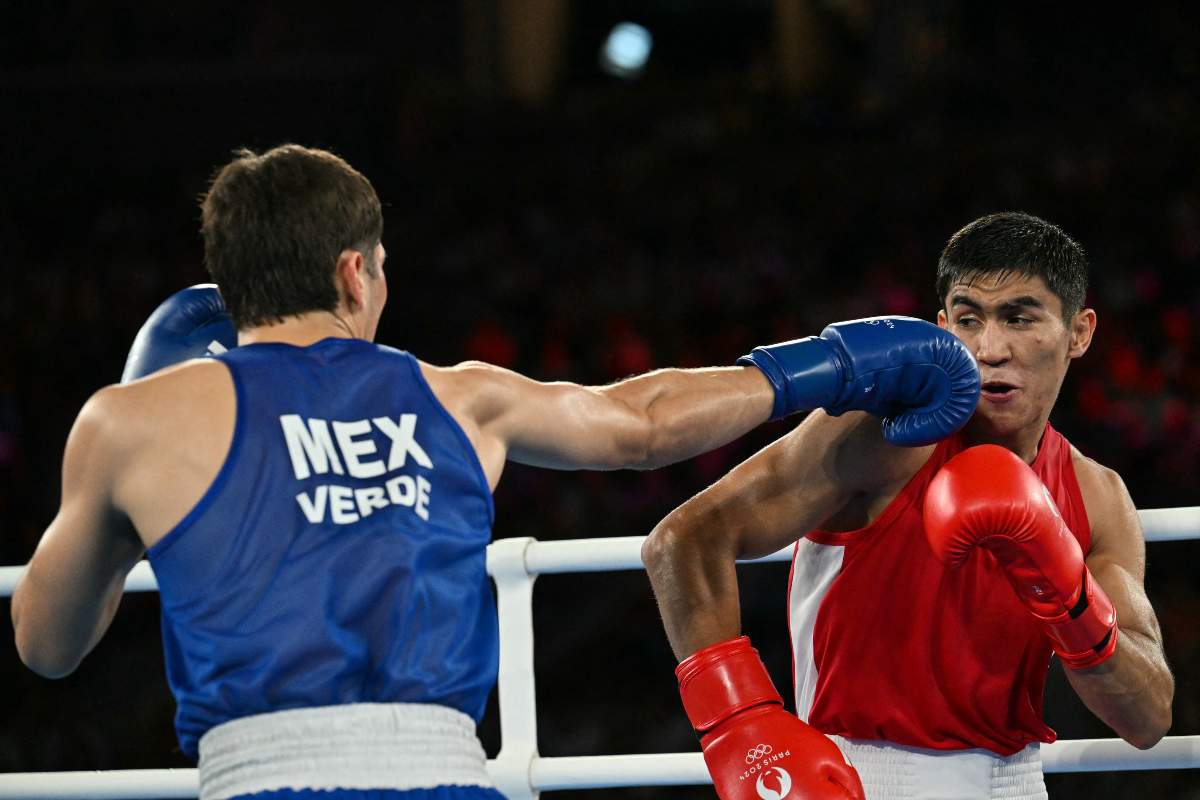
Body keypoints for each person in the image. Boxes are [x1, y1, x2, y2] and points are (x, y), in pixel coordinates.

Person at [10, 144, 980, 800]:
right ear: (356, 273)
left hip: (255, 778)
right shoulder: (462, 398)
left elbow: (47, 644)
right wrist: (833, 364)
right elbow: (643, 423)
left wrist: (130, 516)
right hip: (448, 776)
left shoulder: (129, 420)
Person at [642, 211, 1176, 799]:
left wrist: (1068, 596)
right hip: (859, 778)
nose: (990, 348)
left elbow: (1148, 719)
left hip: (1016, 783)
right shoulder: (884, 438)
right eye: (969, 320)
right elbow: (684, 541)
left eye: (1020, 318)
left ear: (1079, 332)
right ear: (942, 327)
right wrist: (743, 724)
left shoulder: (1097, 494)